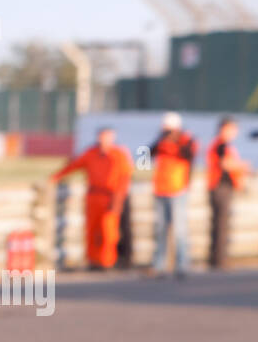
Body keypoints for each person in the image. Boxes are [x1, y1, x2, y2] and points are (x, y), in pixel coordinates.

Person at [51, 127, 132, 269]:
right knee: (92, 230)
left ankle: (107, 261)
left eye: (108, 137)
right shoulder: (91, 153)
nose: (104, 140)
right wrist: (55, 177)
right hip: (93, 196)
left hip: (110, 196)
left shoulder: (119, 155)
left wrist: (119, 199)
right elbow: (73, 165)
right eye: (102, 137)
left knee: (109, 231)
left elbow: (125, 178)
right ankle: (93, 260)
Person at [149, 111, 197, 278]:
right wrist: (161, 140)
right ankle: (159, 265)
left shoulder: (187, 140)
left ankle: (182, 265)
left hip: (178, 190)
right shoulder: (160, 142)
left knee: (179, 230)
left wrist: (175, 141)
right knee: (160, 228)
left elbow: (189, 156)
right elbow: (145, 155)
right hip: (160, 189)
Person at [206, 116, 249, 270]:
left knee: (219, 224)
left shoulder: (221, 145)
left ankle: (216, 259)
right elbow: (225, 164)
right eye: (232, 129)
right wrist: (242, 166)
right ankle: (219, 260)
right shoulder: (221, 145)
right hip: (220, 187)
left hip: (219, 187)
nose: (235, 132)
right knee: (221, 224)